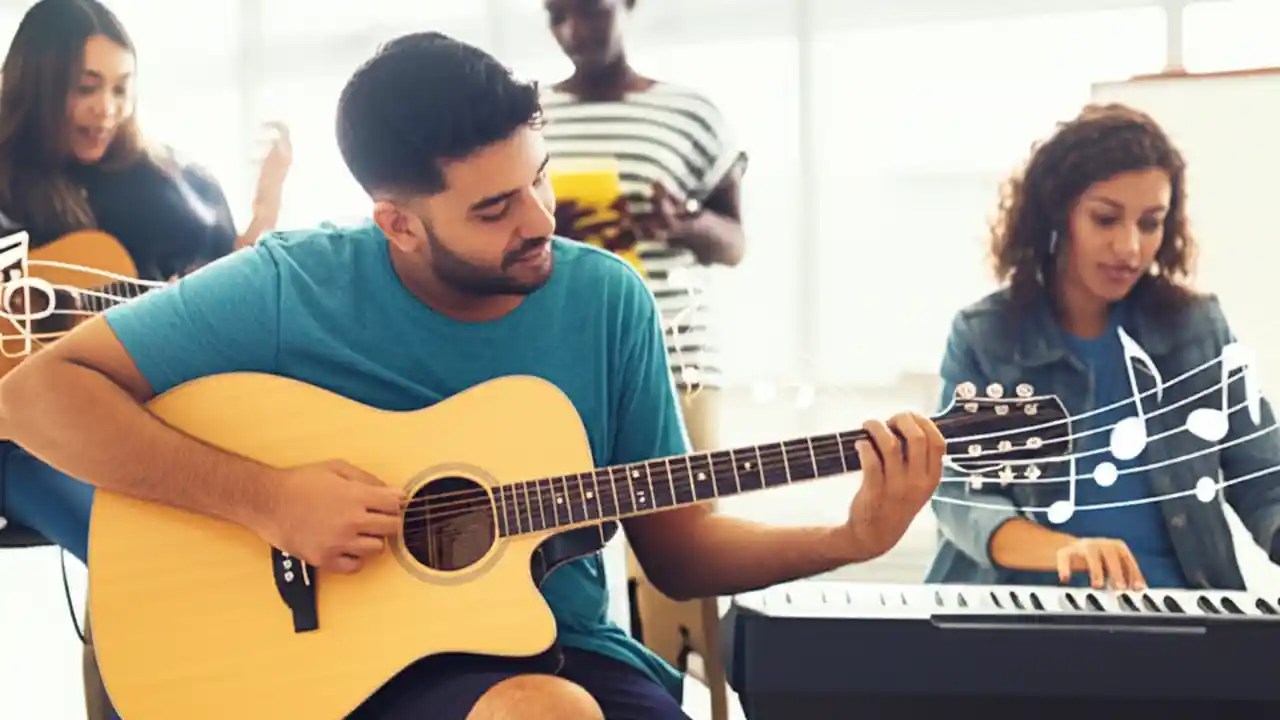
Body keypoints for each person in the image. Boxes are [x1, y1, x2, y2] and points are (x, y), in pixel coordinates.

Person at [0, 32, 944, 719]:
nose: (539, 220)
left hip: (567, 650)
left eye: (540, 177)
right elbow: (35, 396)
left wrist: (852, 535)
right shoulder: (292, 285)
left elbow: (679, 550)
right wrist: (268, 500)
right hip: (341, 673)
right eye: (494, 207)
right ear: (398, 223)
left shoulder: (605, 299)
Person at [925, 103, 1280, 592]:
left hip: (1180, 626)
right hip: (1022, 627)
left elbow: (1264, 477)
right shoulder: (986, 337)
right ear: (1058, 215)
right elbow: (964, 498)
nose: (1130, 248)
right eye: (1106, 219)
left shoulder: (1198, 329)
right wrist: (1064, 550)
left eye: (1150, 223)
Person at [0, 0, 290, 562]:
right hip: (28, 435)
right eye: (86, 88)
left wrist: (264, 212)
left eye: (120, 88)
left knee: (222, 531)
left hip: (163, 416)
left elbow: (220, 294)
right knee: (141, 548)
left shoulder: (164, 180)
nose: (106, 109)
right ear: (38, 86)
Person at [539, 0, 747, 452]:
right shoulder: (527, 115)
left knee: (697, 510)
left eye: (591, 11)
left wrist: (683, 224)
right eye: (557, 15)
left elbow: (734, 243)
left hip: (678, 352)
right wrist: (545, 228)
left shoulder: (690, 113)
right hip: (558, 350)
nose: (573, 31)